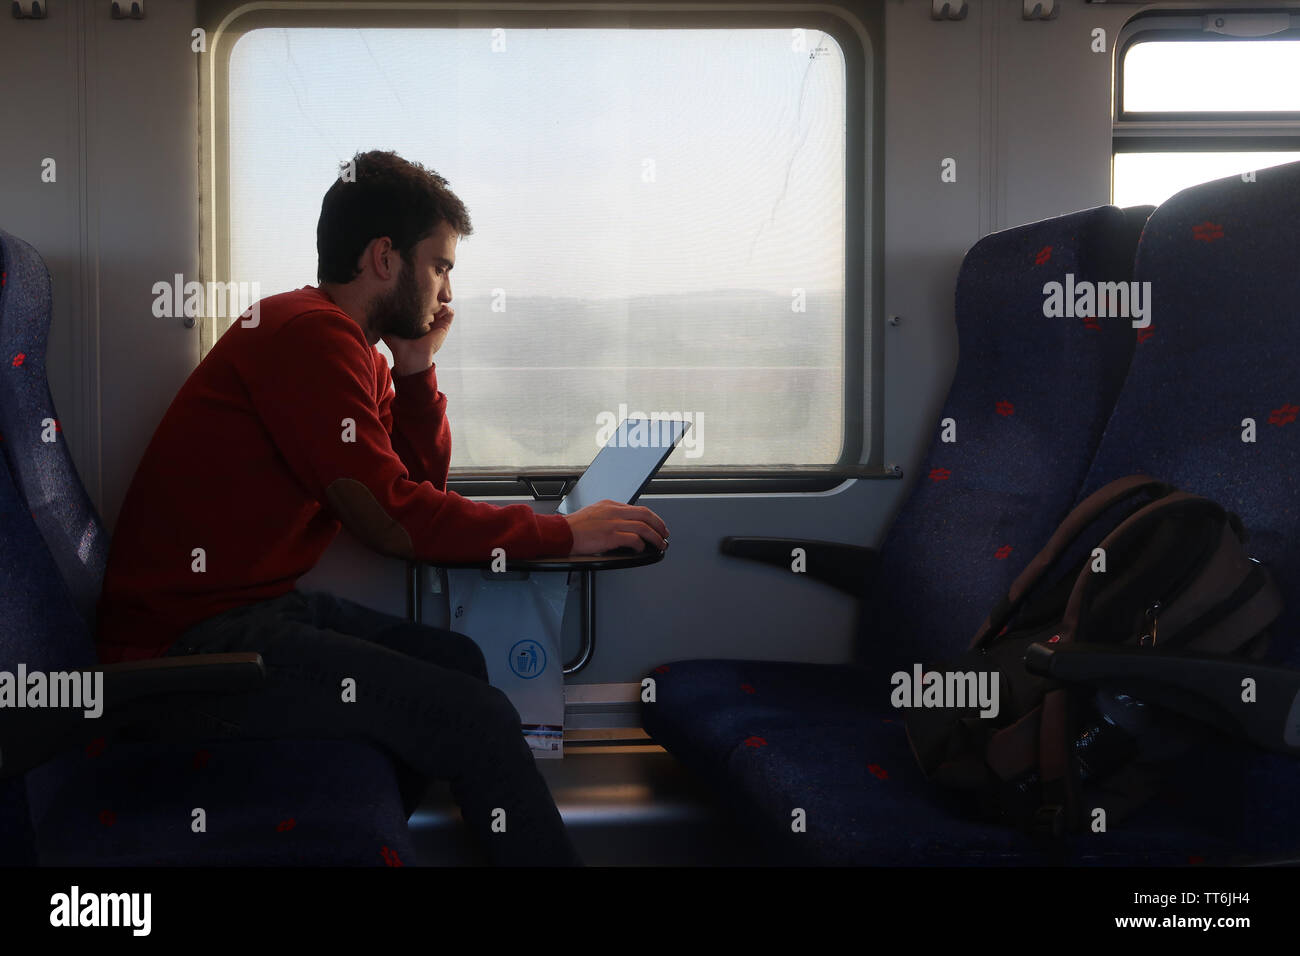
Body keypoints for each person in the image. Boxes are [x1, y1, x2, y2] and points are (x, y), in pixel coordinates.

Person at [96, 149, 669, 866]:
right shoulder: (308, 333)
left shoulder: (359, 349)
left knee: (456, 659)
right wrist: (562, 534)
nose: (447, 285)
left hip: (256, 613)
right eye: (440, 264)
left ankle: (368, 838)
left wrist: (417, 365)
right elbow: (396, 523)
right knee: (476, 716)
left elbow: (416, 485)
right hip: (185, 651)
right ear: (383, 258)